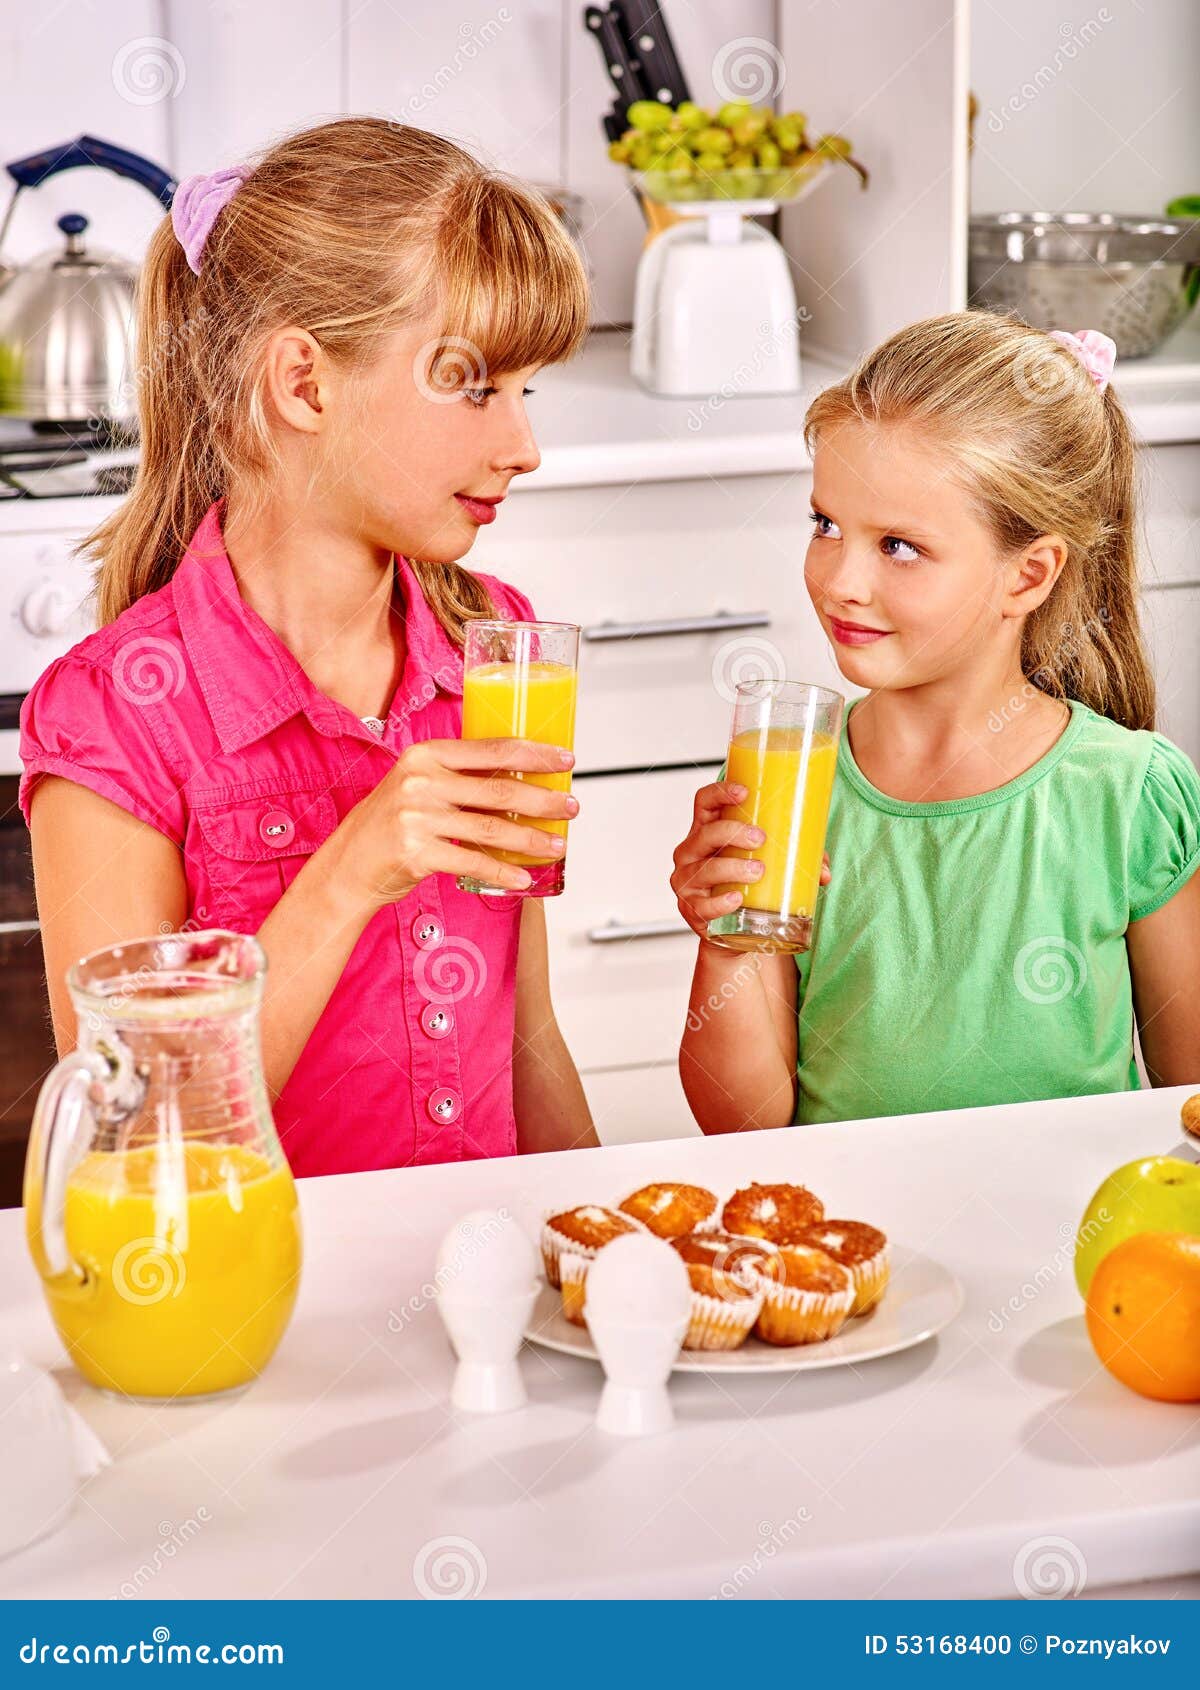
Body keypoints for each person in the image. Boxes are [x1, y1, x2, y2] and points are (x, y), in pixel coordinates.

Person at [20, 118, 599, 1173]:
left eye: (527, 391)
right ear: (303, 384)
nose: (523, 446)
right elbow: (132, 1142)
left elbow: (528, 1042)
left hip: (485, 1284)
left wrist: (608, 1249)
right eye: (474, 384)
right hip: (262, 1319)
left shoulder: (498, 650)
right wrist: (353, 868)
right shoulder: (116, 716)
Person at [671, 313, 1200, 1131]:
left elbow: (1189, 1098)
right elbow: (741, 1128)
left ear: (1028, 576)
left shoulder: (1128, 794)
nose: (841, 580)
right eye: (825, 525)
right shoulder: (790, 782)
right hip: (852, 1241)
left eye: (899, 547)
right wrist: (725, 935)